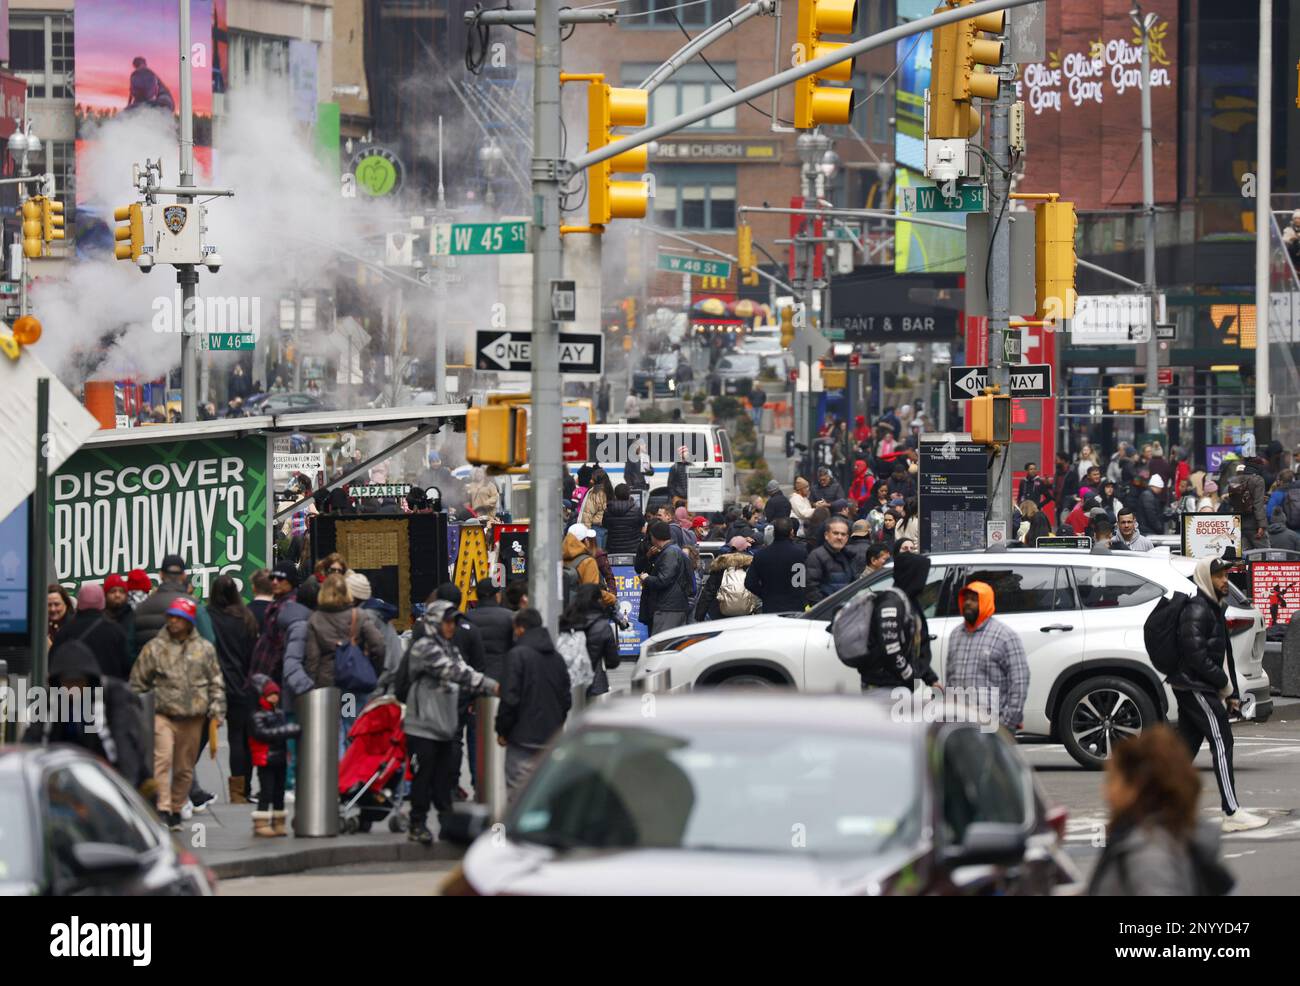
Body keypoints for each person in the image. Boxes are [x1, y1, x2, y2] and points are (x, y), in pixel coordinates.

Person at [1170, 557, 1268, 831]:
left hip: (1198, 685)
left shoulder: (1214, 608)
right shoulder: (1197, 610)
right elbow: (1196, 656)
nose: (1225, 581)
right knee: (1222, 743)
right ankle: (1231, 811)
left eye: (1226, 575)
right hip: (1196, 686)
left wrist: (1232, 692)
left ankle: (1162, 810)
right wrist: (1224, 685)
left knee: (1185, 751)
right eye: (1219, 577)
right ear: (1204, 579)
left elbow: (1224, 654)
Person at [1088, 725, 1233, 896]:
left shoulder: (1148, 852)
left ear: (1136, 787)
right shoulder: (1181, 836)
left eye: (1112, 779)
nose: (1105, 790)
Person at [399, 600, 499, 844]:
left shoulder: (449, 647)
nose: (451, 626)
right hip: (422, 726)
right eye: (447, 621)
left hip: (444, 724)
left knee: (443, 779)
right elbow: (455, 671)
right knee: (424, 778)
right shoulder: (424, 647)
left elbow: (462, 668)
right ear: (434, 622)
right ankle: (417, 824)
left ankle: (446, 825)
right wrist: (490, 685)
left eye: (453, 622)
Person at [129, 597, 225, 830]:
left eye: (178, 617)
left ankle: (175, 807)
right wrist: (137, 707)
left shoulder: (204, 649)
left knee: (184, 767)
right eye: (170, 616)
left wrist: (217, 710)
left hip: (194, 717)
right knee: (161, 759)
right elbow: (138, 680)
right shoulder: (156, 647)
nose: (172, 621)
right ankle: (161, 808)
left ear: (189, 621)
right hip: (163, 713)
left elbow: (216, 681)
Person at [304, 575, 386, 754]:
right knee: (354, 728)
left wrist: (312, 687)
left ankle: (338, 774)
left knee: (334, 733)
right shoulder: (358, 615)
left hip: (328, 685)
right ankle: (354, 775)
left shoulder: (315, 619)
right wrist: (373, 669)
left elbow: (312, 659)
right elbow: (378, 645)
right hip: (353, 681)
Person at [496, 608, 571, 799]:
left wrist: (503, 730)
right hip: (551, 739)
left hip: (522, 739)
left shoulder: (517, 656)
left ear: (520, 629)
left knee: (518, 798)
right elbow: (565, 698)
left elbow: (509, 699)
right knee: (547, 796)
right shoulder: (557, 658)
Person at [946, 581, 1029, 731]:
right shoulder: (955, 635)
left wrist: (1008, 723)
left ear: (985, 602)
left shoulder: (1005, 636)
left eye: (974, 599)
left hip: (992, 724)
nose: (968, 603)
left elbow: (1020, 681)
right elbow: (950, 680)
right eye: (966, 599)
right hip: (960, 725)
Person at [855, 552, 940, 695]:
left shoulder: (908, 601)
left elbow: (913, 648)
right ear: (913, 574)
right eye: (922, 575)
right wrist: (910, 677)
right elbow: (891, 648)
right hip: (884, 687)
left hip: (897, 685)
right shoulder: (890, 604)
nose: (924, 581)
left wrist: (929, 678)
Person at [206, 575, 259, 805]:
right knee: (241, 737)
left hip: (214, 683)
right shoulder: (246, 617)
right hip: (242, 684)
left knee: (198, 738)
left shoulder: (209, 618)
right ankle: (242, 789)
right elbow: (252, 654)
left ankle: (188, 785)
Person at [132, 555, 215, 657]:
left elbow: (129, 649)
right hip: (187, 671)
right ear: (184, 575)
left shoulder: (141, 608)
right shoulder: (194, 605)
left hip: (148, 671)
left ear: (161, 575)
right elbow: (209, 642)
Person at [247, 675, 299, 837]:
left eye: (276, 694)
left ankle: (278, 822)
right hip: (266, 759)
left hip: (279, 758)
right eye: (271, 694)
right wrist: (287, 731)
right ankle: (261, 822)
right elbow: (262, 734)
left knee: (279, 792)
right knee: (266, 791)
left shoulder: (279, 714)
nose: (275, 697)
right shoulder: (257, 716)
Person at [51, 583, 131, 681]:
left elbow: (52, 664)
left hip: (75, 692)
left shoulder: (64, 632)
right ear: (102, 602)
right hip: (108, 692)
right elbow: (127, 667)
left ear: (79, 602)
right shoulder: (116, 631)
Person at [559, 583, 620, 696]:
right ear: (598, 600)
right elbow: (613, 662)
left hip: (568, 684)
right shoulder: (602, 626)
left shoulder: (565, 621)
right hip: (595, 684)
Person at [637, 520, 693, 635]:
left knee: (661, 646)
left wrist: (647, 578)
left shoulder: (670, 553)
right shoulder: (672, 550)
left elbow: (664, 580)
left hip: (668, 608)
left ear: (655, 537)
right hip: (672, 606)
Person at [743, 517, 808, 614]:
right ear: (792, 532)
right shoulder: (800, 553)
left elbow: (750, 583)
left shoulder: (761, 555)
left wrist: (764, 594)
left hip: (771, 606)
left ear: (773, 533)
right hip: (795, 607)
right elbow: (803, 582)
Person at [693, 538, 757, 620]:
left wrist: (700, 615)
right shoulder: (751, 564)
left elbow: (709, 591)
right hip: (746, 611)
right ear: (745, 548)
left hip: (720, 611)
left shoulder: (720, 564)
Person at [467, 579, 517, 683]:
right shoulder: (510, 617)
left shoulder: (466, 618)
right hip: (502, 676)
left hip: (474, 678)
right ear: (497, 595)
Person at [805, 516, 859, 606]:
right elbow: (811, 588)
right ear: (826, 535)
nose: (839, 537)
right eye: (835, 533)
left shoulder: (849, 556)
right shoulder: (816, 556)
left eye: (843, 534)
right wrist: (824, 611)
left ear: (847, 537)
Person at [101, 574, 138, 659]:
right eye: (113, 591)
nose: (117, 595)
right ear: (105, 595)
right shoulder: (99, 619)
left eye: (121, 591)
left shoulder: (133, 617)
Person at [47, 583, 73, 648]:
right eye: (49, 605)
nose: (52, 609)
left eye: (57, 604)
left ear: (66, 604)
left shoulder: (75, 626)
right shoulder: (40, 627)